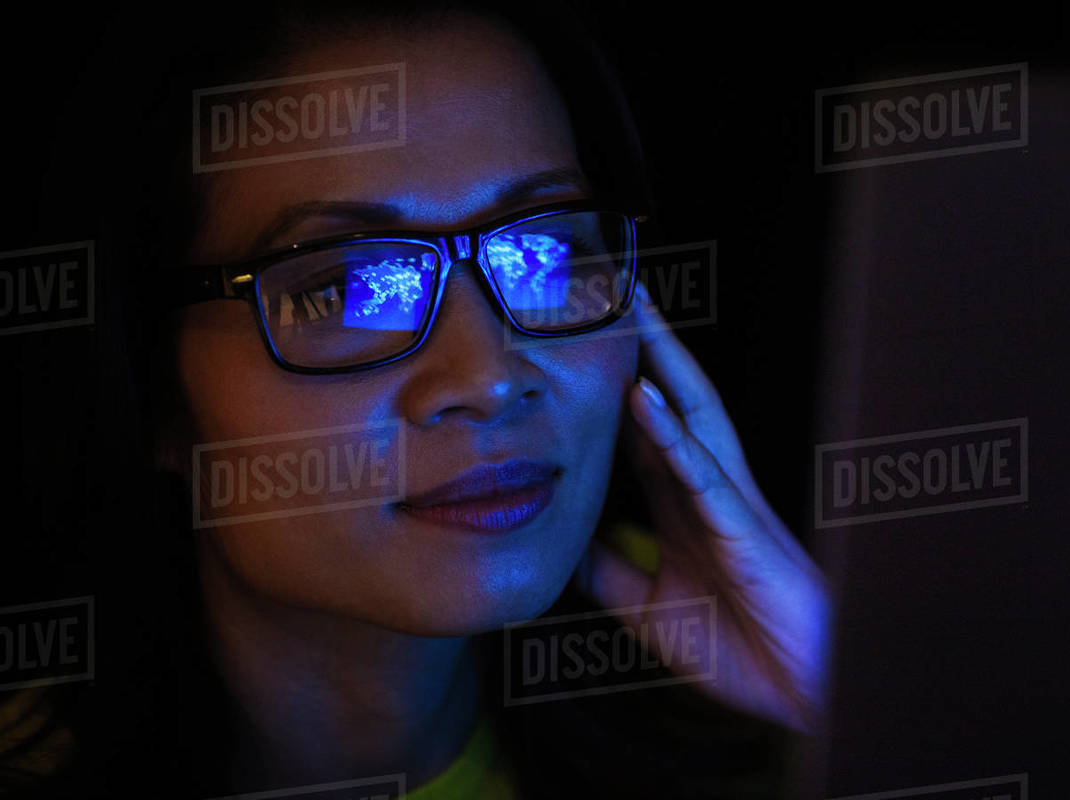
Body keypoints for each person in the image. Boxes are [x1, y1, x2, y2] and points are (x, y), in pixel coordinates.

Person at [24, 1, 832, 797]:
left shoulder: (761, 665)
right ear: (153, 381)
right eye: (348, 289)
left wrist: (839, 698)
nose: (488, 378)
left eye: (542, 250)